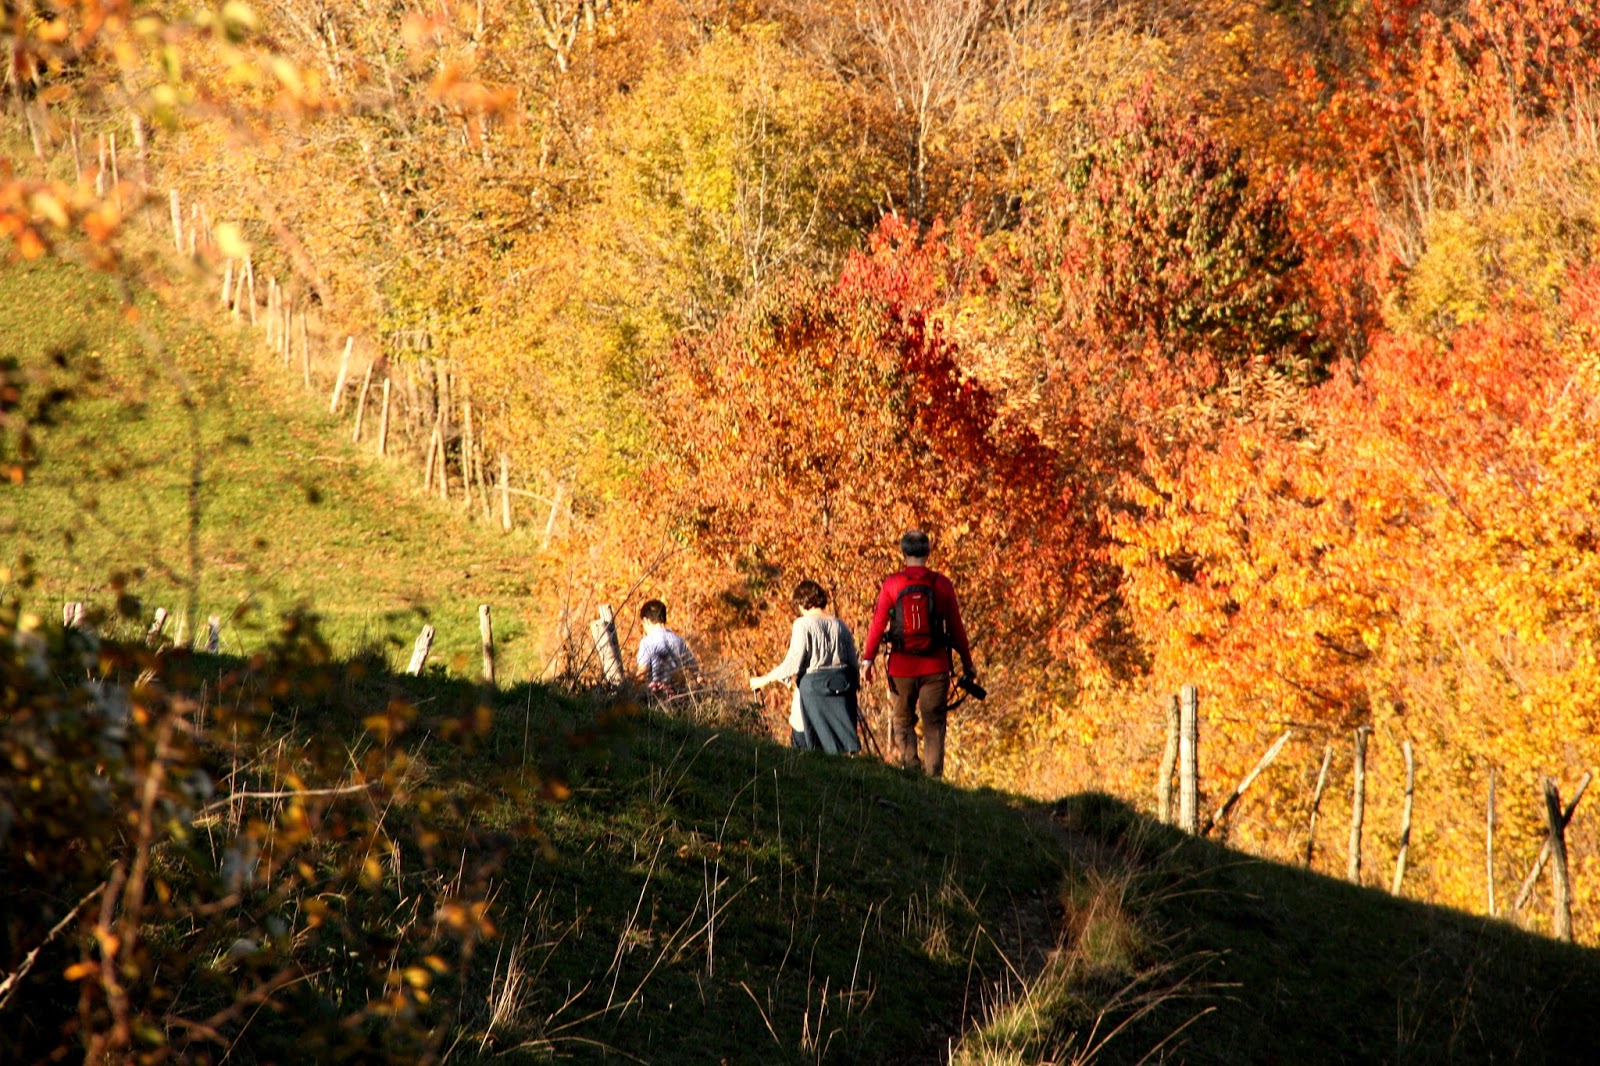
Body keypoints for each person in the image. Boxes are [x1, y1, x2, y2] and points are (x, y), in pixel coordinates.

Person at [860, 529, 976, 777]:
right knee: (934, 724)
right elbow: (956, 628)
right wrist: (968, 664)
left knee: (902, 720)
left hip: (901, 668)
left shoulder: (892, 584)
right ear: (928, 552)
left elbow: (878, 624)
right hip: (935, 666)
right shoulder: (942, 584)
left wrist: (867, 660)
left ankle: (911, 769)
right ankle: (933, 778)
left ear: (903, 552)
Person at [749, 580, 861, 754]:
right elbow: (853, 663)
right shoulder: (841, 625)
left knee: (800, 733)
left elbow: (793, 662)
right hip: (841, 687)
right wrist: (854, 685)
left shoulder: (802, 624)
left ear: (802, 603)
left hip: (813, 689)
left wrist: (763, 680)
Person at [635, 599, 699, 695]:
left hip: (657, 697)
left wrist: (631, 688)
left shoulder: (647, 642)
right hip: (679, 696)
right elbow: (695, 670)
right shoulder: (679, 640)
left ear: (646, 620)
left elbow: (642, 673)